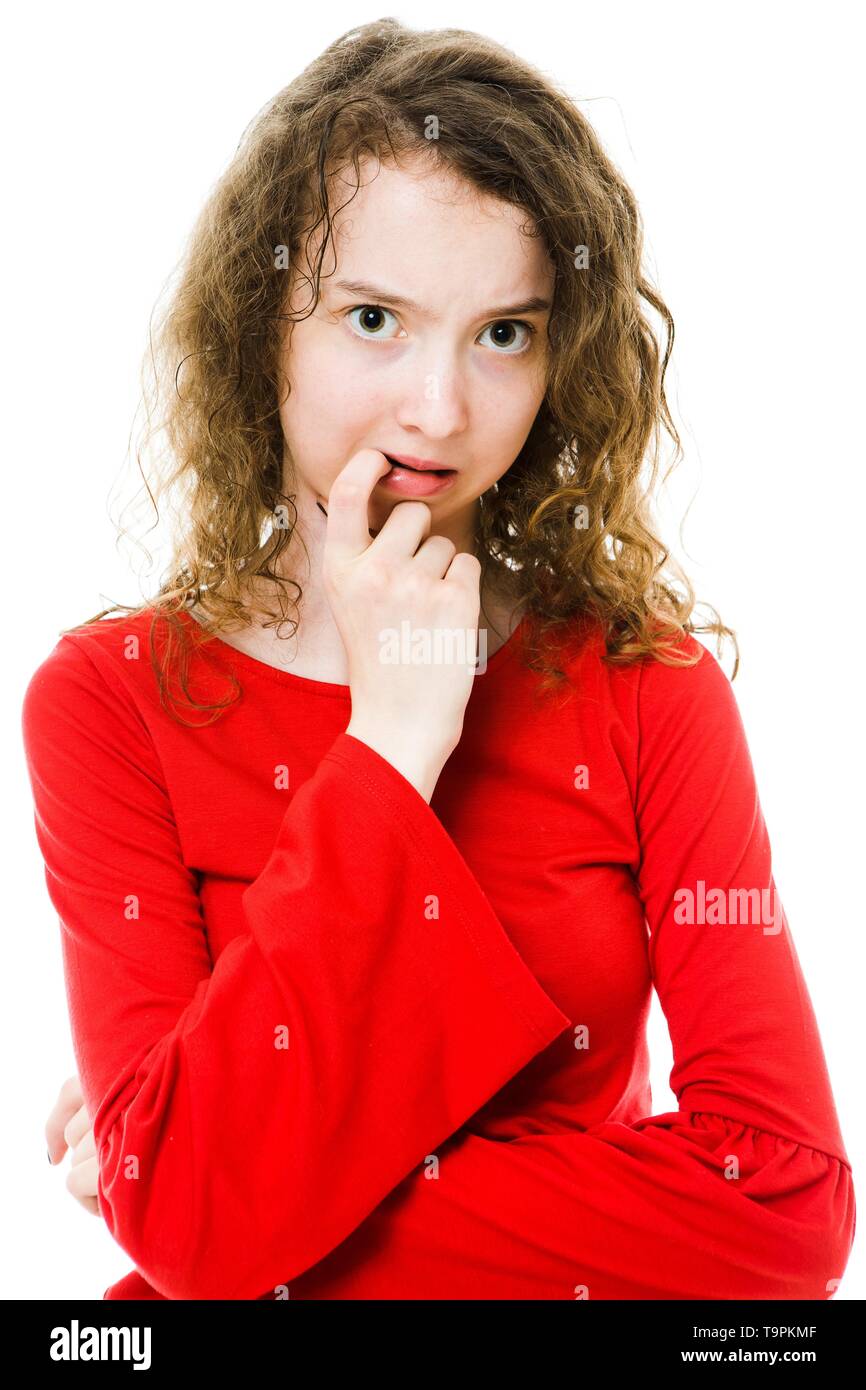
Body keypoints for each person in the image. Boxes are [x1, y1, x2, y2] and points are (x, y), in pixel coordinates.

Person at [25, 18, 854, 1300]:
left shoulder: (648, 689)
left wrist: (213, 1179)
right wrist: (392, 743)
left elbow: (784, 1207)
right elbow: (186, 1217)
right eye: (373, 319)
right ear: (266, 330)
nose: (438, 408)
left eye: (502, 334)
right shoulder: (110, 701)